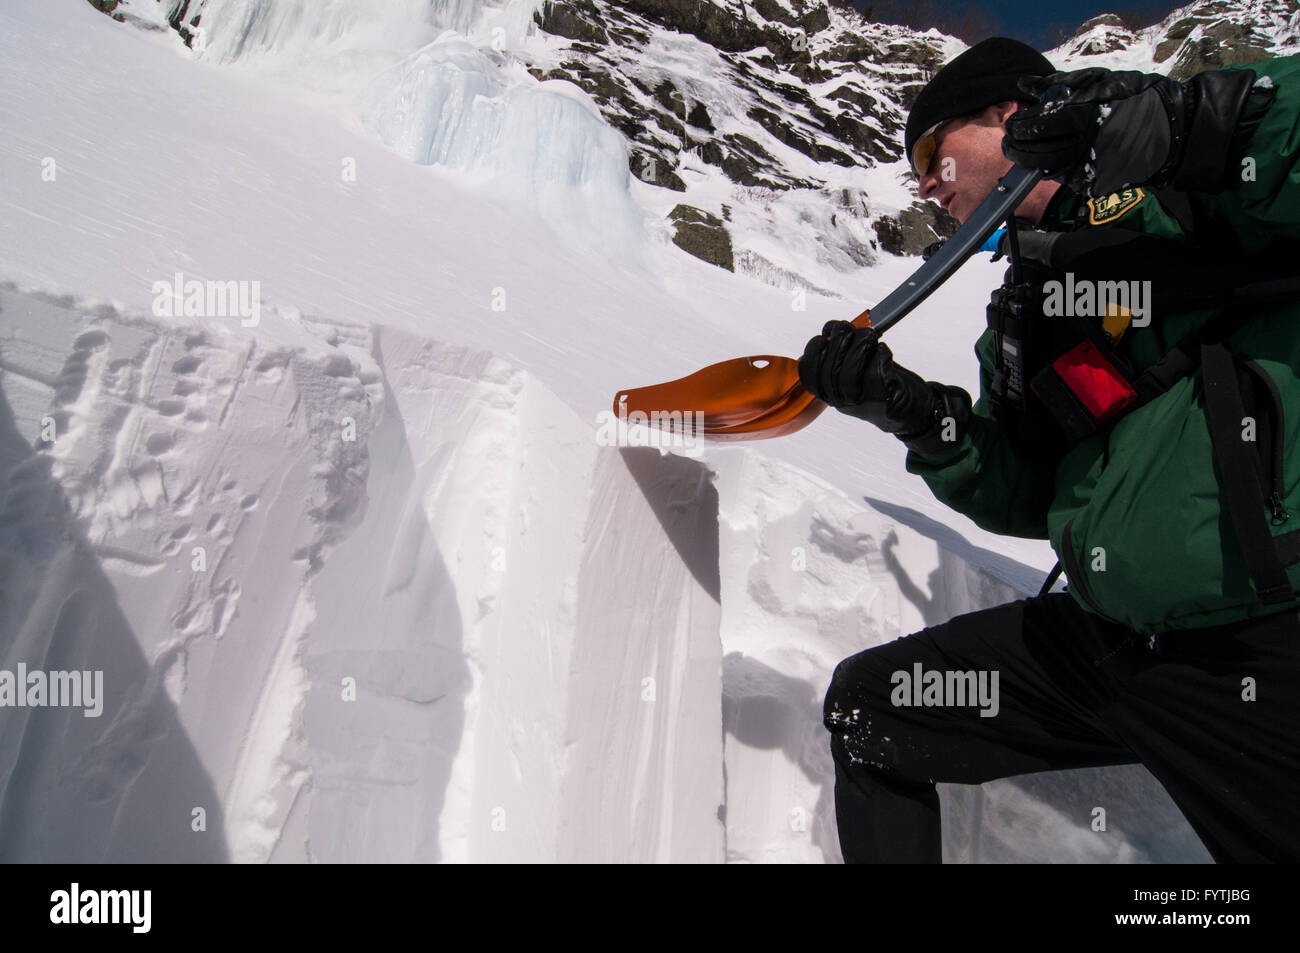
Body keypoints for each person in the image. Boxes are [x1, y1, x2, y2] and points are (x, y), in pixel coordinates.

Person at [798, 36, 1300, 863]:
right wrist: (915, 415)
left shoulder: (1188, 186)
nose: (925, 184)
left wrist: (1182, 125)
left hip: (1258, 645)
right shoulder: (1023, 311)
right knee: (876, 708)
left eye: (933, 151)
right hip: (1104, 648)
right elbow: (1026, 491)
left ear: (1011, 113)